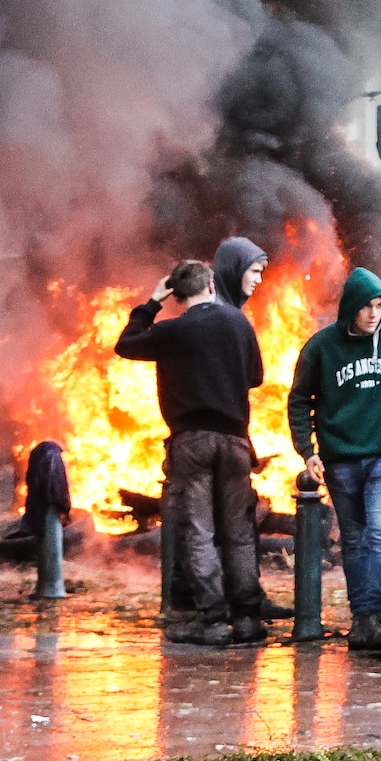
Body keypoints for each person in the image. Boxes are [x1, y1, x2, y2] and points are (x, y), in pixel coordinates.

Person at [116, 259, 267, 645]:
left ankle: (212, 621)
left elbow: (126, 344)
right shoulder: (238, 323)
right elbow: (256, 377)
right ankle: (248, 619)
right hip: (235, 440)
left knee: (199, 530)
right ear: (212, 285)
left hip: (191, 441)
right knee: (238, 531)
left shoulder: (172, 330)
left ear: (176, 295)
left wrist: (151, 302)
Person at [286, 269, 381, 651]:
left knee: (380, 533)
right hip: (341, 458)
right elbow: (299, 399)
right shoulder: (320, 347)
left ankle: (379, 616)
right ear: (350, 306)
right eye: (365, 306)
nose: (373, 313)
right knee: (353, 539)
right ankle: (361, 617)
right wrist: (307, 451)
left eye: (380, 305)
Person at [212, 237, 268, 315]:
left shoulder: (228, 310)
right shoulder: (216, 315)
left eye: (260, 273)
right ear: (234, 270)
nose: (259, 280)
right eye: (254, 271)